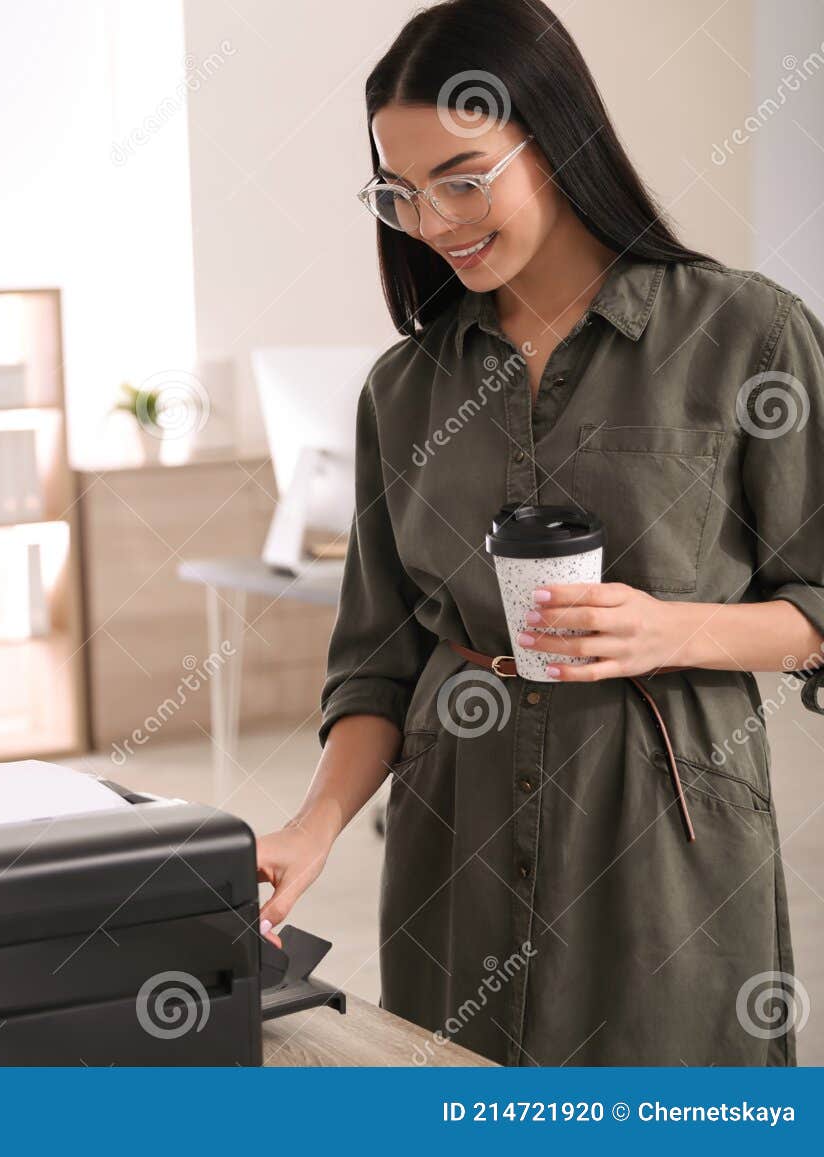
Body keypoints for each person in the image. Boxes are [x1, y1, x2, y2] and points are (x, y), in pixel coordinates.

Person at [256, 0, 824, 1065]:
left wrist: (670, 630)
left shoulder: (747, 336)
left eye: (462, 179)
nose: (431, 222)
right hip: (450, 830)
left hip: (665, 832)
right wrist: (309, 828)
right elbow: (377, 664)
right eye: (400, 192)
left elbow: (816, 604)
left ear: (555, 140)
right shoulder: (404, 389)